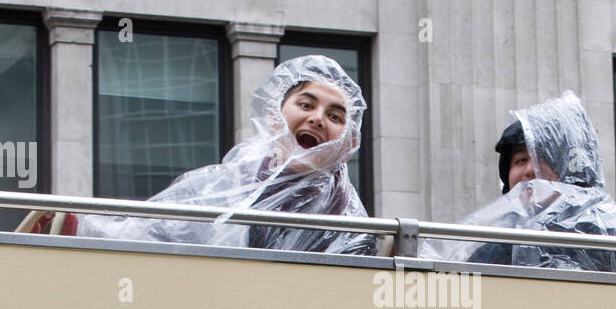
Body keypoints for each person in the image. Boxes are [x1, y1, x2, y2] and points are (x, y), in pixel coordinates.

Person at [33, 55, 374, 255]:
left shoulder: (348, 220)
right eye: (305, 104)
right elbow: (146, 233)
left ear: (349, 143)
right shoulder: (217, 186)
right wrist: (76, 226)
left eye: (335, 116)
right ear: (274, 114)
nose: (316, 118)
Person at [421, 92, 616, 276]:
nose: (529, 171)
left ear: (570, 164)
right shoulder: (492, 244)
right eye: (520, 160)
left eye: (542, 160)